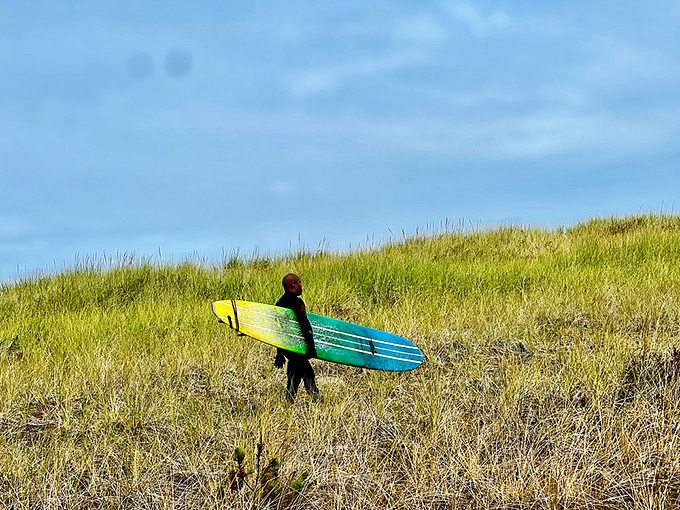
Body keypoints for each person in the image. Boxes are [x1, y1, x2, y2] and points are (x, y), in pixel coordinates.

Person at [274, 273, 320, 402]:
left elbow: (279, 329)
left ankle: (290, 404)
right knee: (307, 375)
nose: (301, 286)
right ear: (293, 285)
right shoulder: (296, 302)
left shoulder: (279, 303)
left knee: (295, 375)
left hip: (287, 347)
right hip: (297, 346)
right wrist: (310, 344)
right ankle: (317, 403)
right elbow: (303, 323)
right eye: (300, 283)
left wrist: (280, 352)